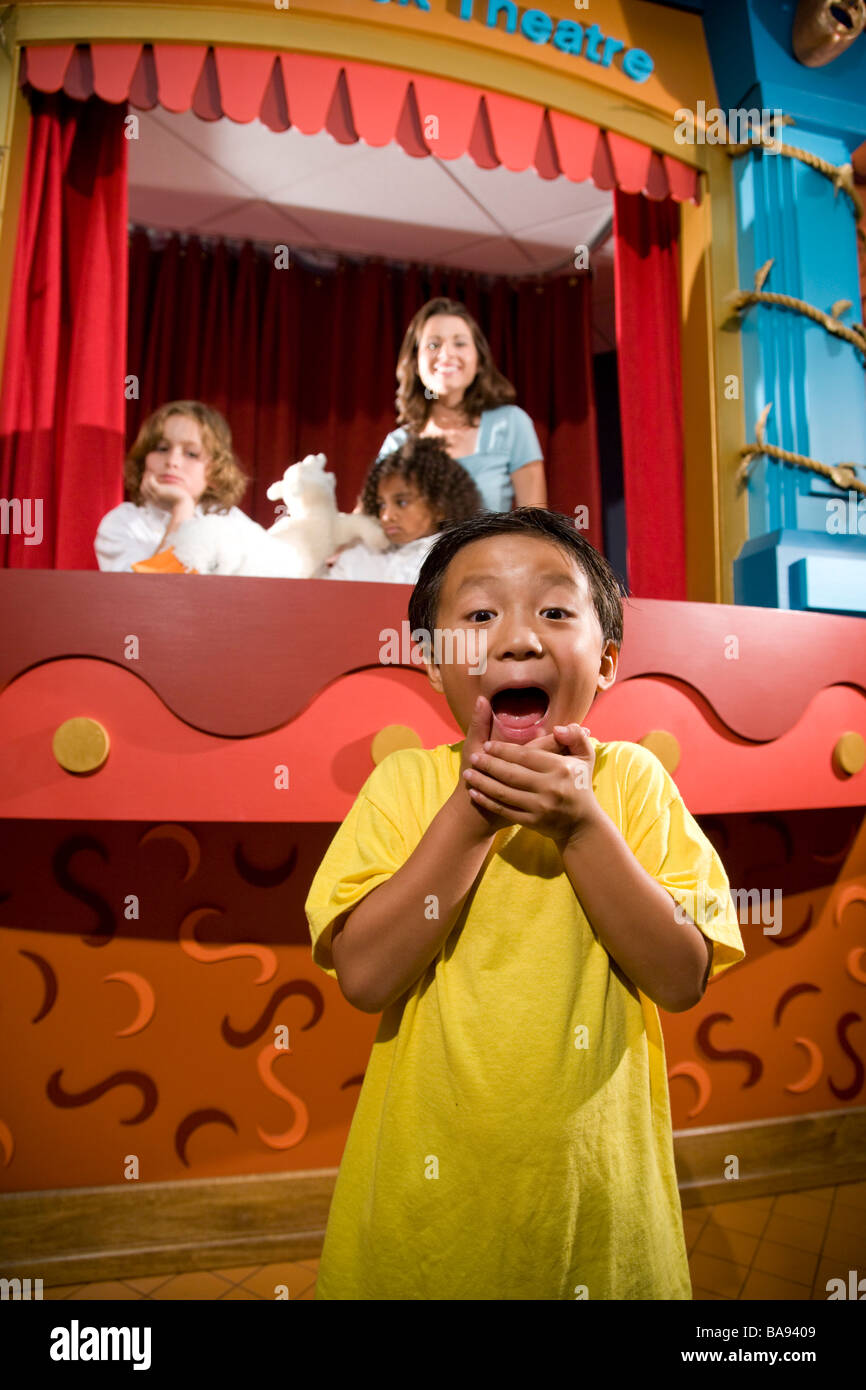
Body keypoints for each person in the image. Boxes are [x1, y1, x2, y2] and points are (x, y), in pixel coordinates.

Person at [305, 508, 745, 1301]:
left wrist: (581, 827)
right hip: (427, 1209)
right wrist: (473, 811)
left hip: (598, 1204)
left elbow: (681, 976)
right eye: (479, 615)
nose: (518, 638)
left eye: (554, 611)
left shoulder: (635, 784)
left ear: (607, 660)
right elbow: (365, 975)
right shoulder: (406, 786)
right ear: (433, 663)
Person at [376, 297, 547, 513]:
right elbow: (367, 523)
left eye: (460, 343)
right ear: (415, 364)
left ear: (479, 361)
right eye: (433, 344)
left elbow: (536, 522)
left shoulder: (511, 424)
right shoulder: (397, 444)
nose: (446, 354)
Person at [94, 401, 261, 572]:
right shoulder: (123, 521)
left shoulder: (232, 521)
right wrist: (181, 508)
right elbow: (145, 593)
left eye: (191, 454)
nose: (172, 462)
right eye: (162, 448)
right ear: (144, 460)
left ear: (214, 471)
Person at [324, 436, 481, 583]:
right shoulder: (359, 554)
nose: (386, 516)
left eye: (402, 503)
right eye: (382, 505)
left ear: (439, 506)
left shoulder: (455, 561)